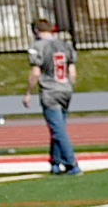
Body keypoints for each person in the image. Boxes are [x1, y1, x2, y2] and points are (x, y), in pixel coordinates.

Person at [25, 18, 80, 175]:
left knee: (58, 130)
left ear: (36, 31)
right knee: (58, 127)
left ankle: (71, 163)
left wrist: (28, 92)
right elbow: (72, 72)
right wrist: (68, 86)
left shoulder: (37, 46)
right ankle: (55, 162)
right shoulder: (65, 45)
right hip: (65, 88)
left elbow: (35, 72)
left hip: (50, 90)